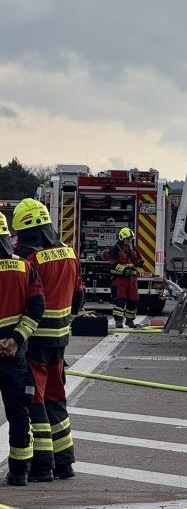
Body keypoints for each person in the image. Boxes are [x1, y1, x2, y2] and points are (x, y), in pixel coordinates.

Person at [12, 198, 84, 482]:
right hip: (60, 341)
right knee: (57, 398)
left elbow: (26, 303)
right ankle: (65, 463)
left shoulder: (30, 260)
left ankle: (43, 467)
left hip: (34, 342)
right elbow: (79, 298)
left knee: (35, 401)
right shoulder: (69, 254)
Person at [0, 212, 45, 486]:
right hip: (14, 355)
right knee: (18, 413)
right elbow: (37, 307)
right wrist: (16, 339)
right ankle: (19, 472)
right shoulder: (24, 267)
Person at [108, 227, 143, 329]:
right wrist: (123, 270)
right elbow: (113, 263)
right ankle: (118, 321)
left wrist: (139, 262)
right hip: (120, 279)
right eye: (127, 239)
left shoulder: (132, 248)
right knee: (120, 300)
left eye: (130, 239)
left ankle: (129, 321)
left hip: (131, 278)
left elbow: (138, 258)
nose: (129, 241)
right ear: (122, 238)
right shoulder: (115, 249)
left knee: (133, 300)